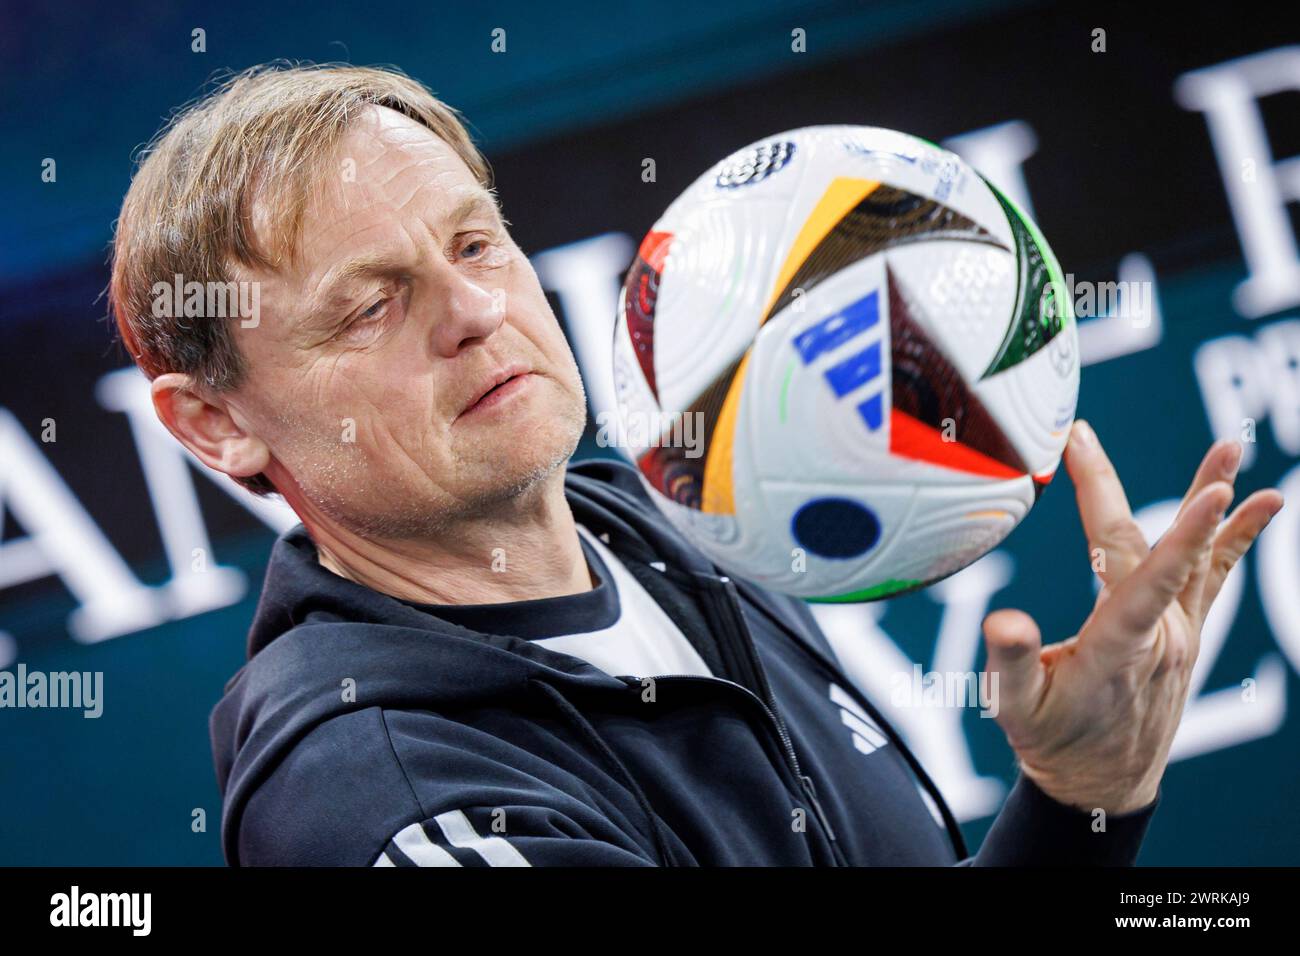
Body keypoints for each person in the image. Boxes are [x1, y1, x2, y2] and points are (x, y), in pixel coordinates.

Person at [108, 63, 1283, 866]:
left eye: (477, 243)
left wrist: (1082, 797)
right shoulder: (381, 791)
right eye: (369, 305)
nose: (475, 308)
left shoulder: (685, 516)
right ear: (216, 424)